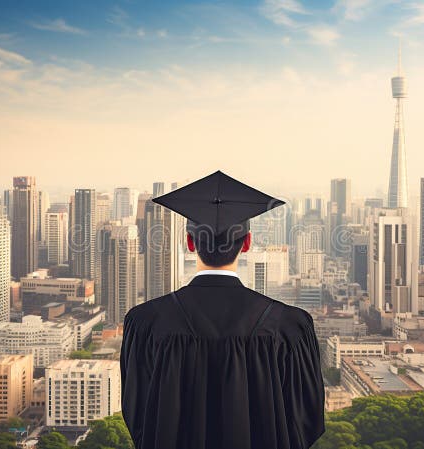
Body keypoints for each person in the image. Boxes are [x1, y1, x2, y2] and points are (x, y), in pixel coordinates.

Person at [120, 170, 325, 449]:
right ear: (248, 244)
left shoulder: (146, 323)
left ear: (190, 244)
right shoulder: (288, 326)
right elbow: (308, 421)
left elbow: (139, 416)